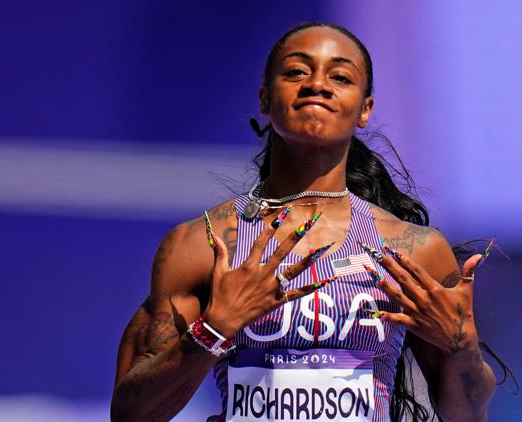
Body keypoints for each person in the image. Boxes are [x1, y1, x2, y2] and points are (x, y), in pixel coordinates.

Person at [111, 22, 496, 421]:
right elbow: (130, 414)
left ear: (365, 109)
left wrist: (462, 350)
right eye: (296, 71)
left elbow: (466, 417)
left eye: (340, 77)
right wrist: (214, 328)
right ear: (264, 97)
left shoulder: (413, 251)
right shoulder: (203, 245)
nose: (317, 85)